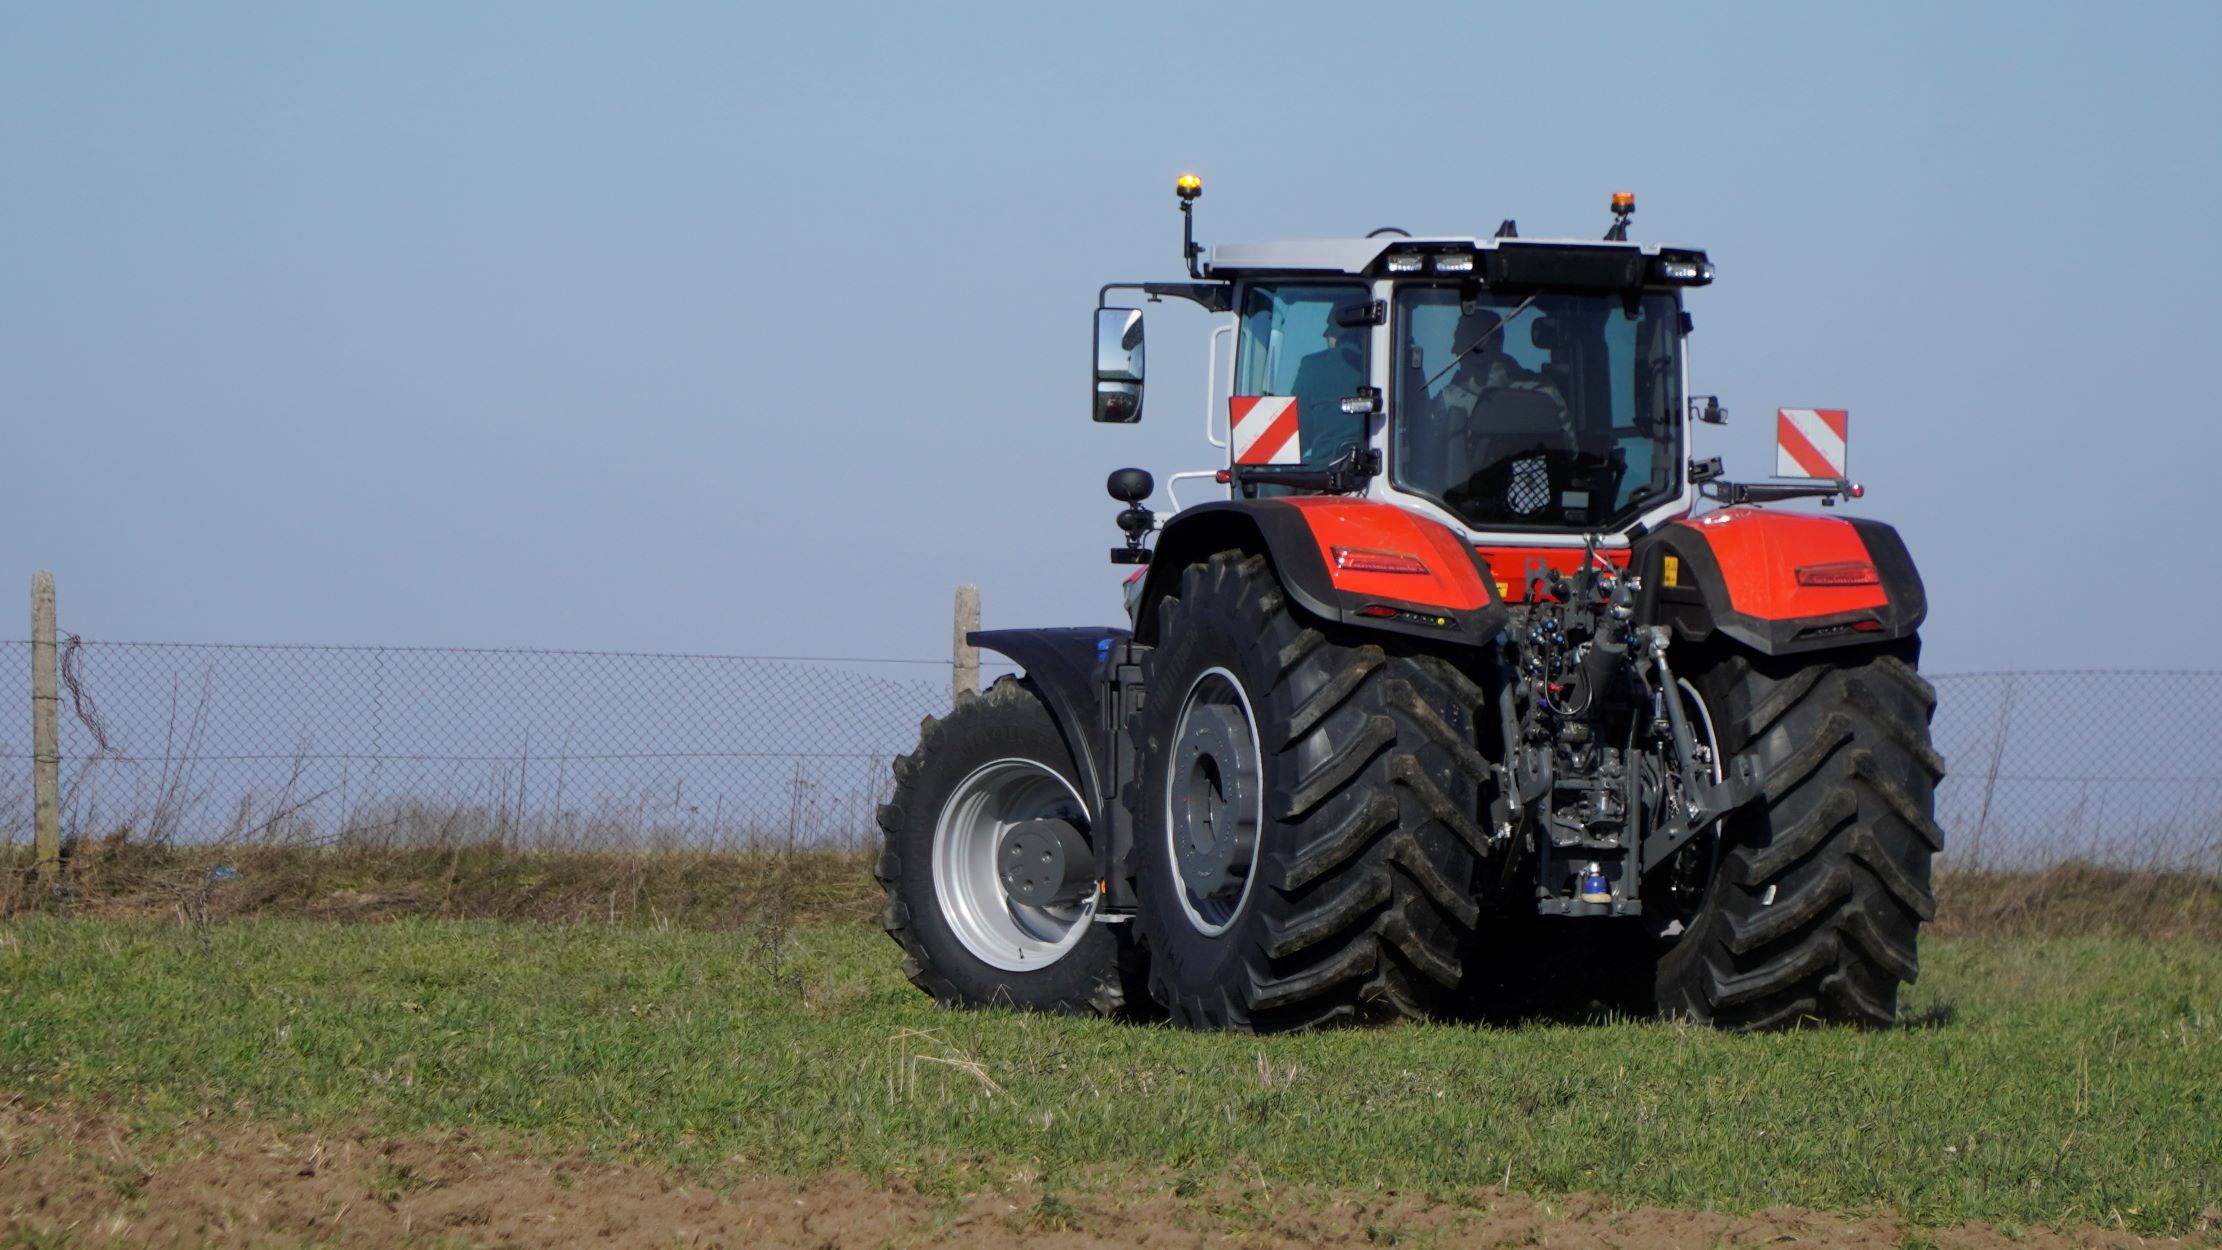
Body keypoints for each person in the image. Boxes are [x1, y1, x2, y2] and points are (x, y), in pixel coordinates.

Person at [1289, 311, 1367, 466]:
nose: (1325, 334)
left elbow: (1298, 435)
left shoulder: (1314, 366)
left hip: (1326, 473)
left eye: (1331, 326)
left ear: (1346, 327)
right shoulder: (1397, 367)